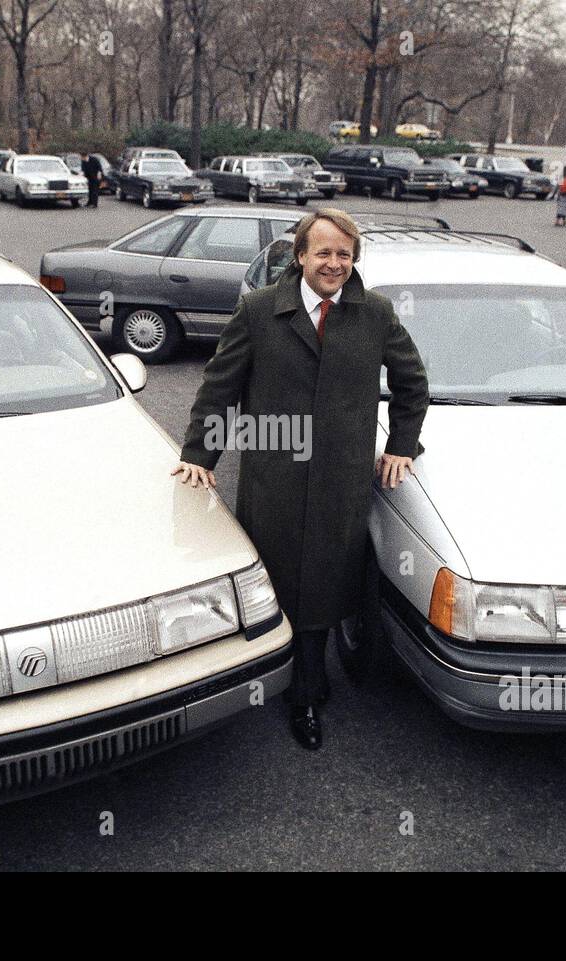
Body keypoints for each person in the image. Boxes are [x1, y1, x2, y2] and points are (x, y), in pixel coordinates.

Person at [171, 209, 429, 751]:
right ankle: (263, 674)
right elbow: (221, 385)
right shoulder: (260, 310)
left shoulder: (375, 314)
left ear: (354, 259)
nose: (334, 263)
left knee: (323, 585)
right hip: (275, 474)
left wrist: (402, 445)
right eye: (324, 253)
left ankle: (306, 692)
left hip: (340, 476)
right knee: (274, 577)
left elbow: (412, 382)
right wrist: (201, 454)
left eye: (344, 254)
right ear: (301, 256)